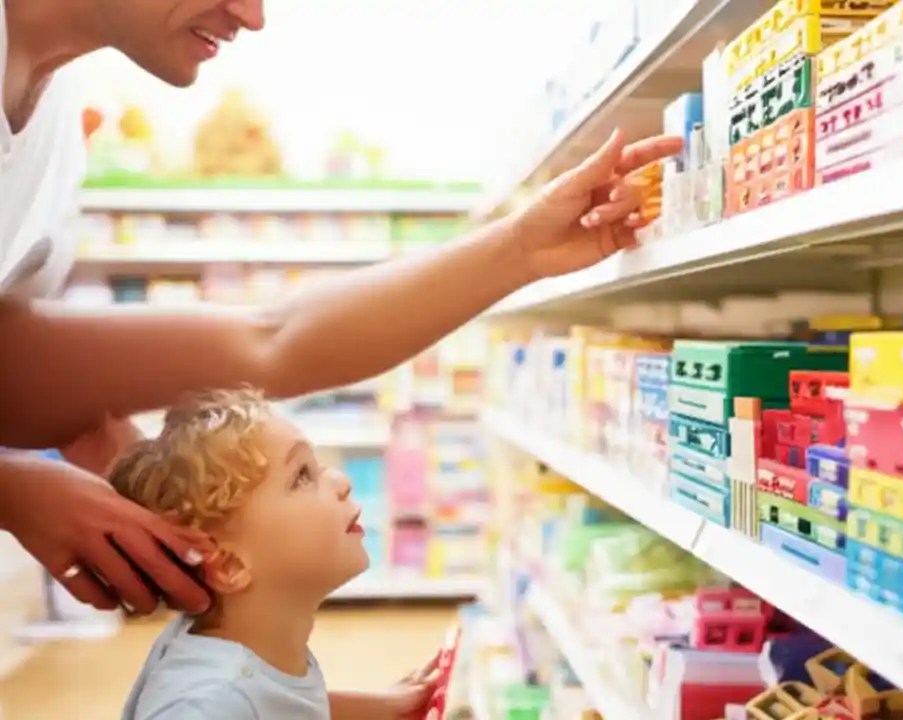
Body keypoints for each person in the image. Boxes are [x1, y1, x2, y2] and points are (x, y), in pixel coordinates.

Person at [0, 0, 681, 617]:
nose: (252, 15)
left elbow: (265, 343)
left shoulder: (57, 127)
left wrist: (523, 250)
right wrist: (14, 491)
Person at [110, 388, 448, 719]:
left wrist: (379, 708)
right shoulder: (205, 704)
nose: (342, 481)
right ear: (229, 564)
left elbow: (278, 704)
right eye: (301, 476)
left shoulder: (246, 648)